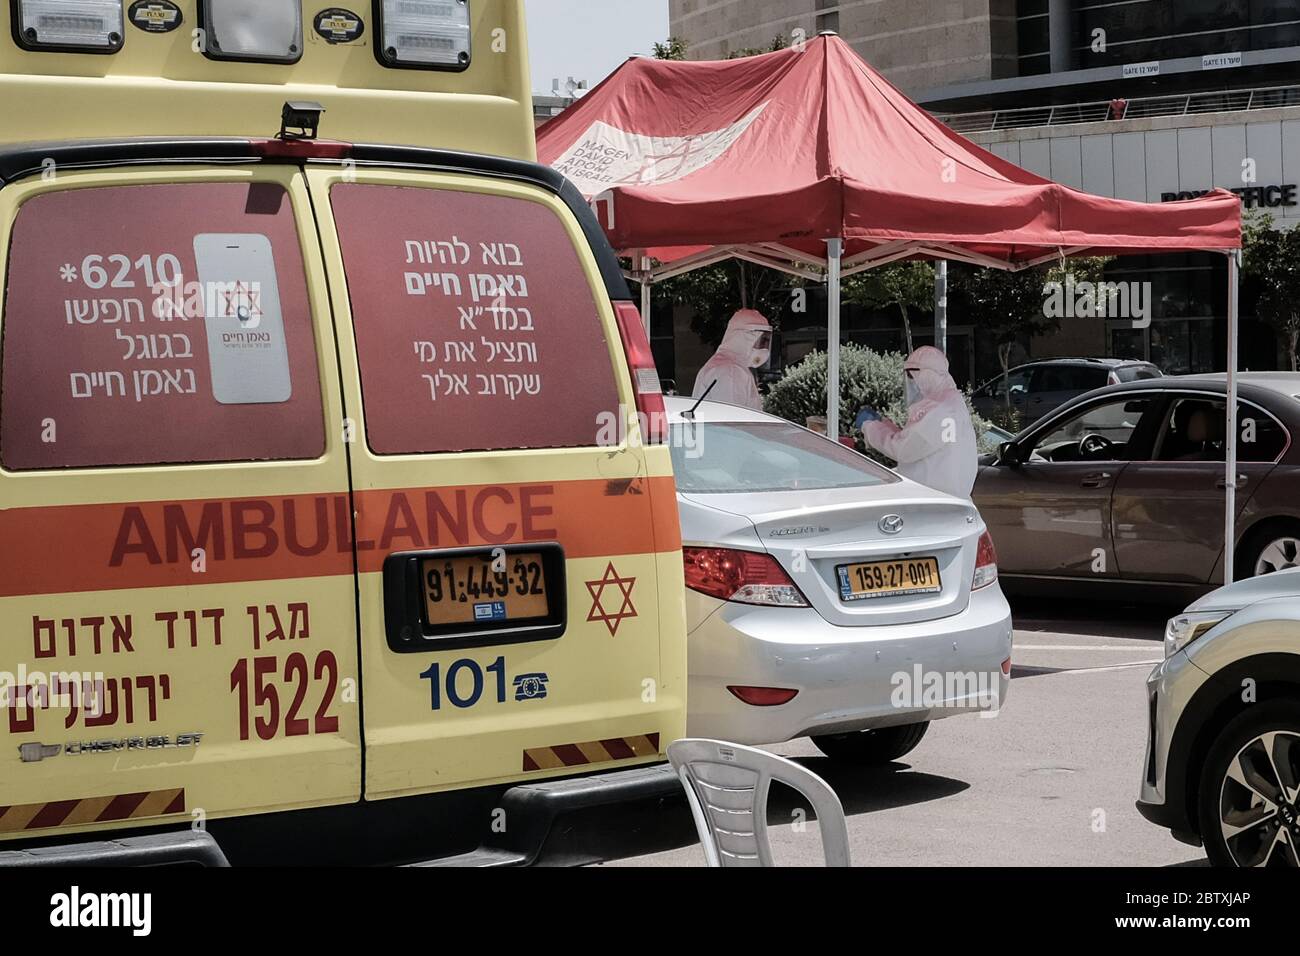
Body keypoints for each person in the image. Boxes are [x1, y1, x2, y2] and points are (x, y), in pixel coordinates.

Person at [862, 346, 977, 500]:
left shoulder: (940, 410)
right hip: (943, 501)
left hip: (934, 504)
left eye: (912, 375)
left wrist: (870, 427)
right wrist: (883, 424)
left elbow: (904, 449)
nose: (912, 382)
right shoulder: (950, 403)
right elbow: (916, 440)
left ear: (926, 374)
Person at [691, 309, 772, 409]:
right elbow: (732, 421)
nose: (764, 347)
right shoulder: (731, 371)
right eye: (763, 340)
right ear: (746, 337)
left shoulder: (728, 366)